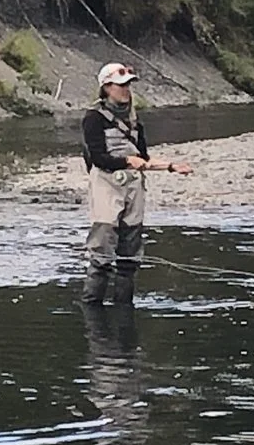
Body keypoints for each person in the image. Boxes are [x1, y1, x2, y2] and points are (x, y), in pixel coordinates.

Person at [82, 62, 191, 305]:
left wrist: (172, 166)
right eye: (121, 85)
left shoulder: (135, 122)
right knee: (101, 253)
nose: (126, 89)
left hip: (134, 188)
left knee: (130, 256)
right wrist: (126, 160)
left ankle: (123, 309)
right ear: (106, 87)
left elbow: (144, 159)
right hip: (105, 187)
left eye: (129, 85)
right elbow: (98, 158)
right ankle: (91, 311)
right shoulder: (93, 118)